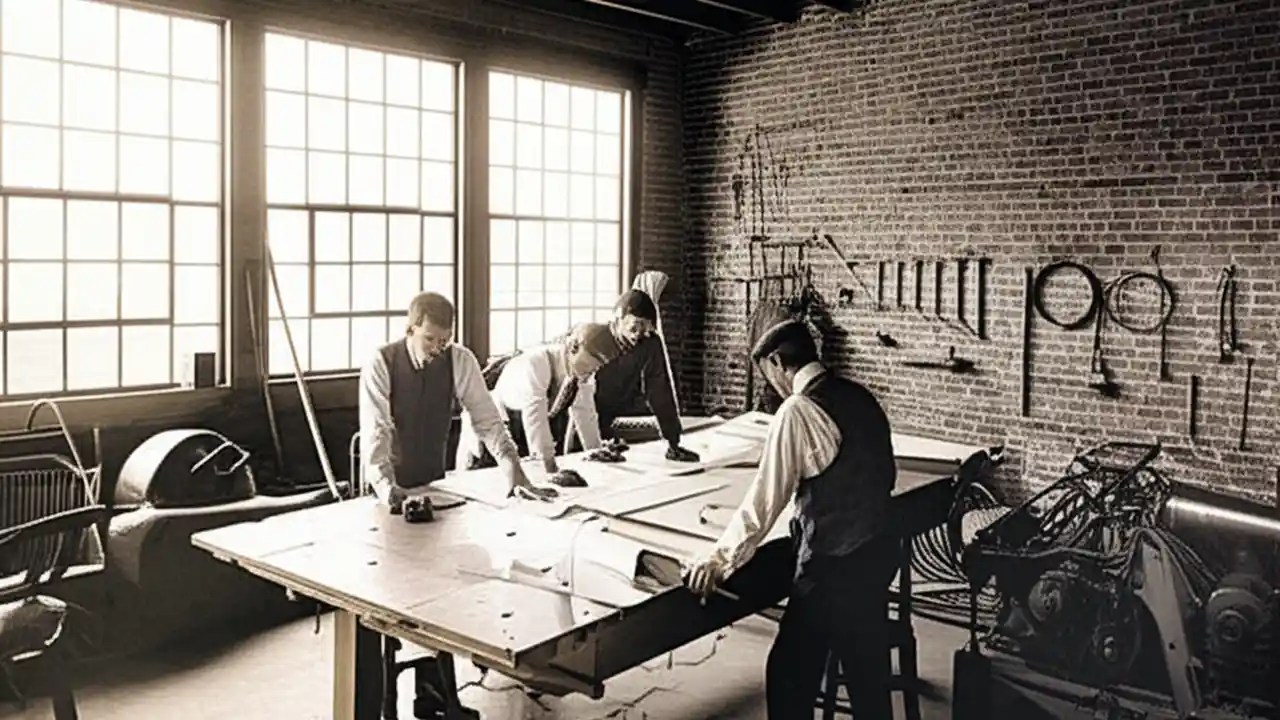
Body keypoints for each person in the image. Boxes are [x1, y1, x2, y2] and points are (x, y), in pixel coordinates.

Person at [682, 318, 898, 720]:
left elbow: (765, 499)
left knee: (788, 677)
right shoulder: (860, 397)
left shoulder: (797, 410)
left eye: (767, 373)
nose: (771, 384)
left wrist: (719, 558)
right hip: (875, 556)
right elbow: (886, 474)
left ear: (778, 362)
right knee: (869, 680)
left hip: (832, 570)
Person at [359, 292, 556, 524]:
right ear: (410, 330)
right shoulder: (381, 362)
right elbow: (376, 430)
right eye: (429, 339)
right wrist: (385, 487)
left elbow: (488, 420)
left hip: (435, 482)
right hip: (384, 486)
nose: (436, 349)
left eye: (444, 341)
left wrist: (513, 467)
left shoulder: (460, 359)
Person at [457, 322, 624, 485]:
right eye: (590, 363)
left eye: (597, 367)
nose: (592, 370)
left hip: (523, 437)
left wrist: (596, 452)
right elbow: (535, 421)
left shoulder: (582, 374)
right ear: (573, 347)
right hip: (493, 434)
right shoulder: (537, 363)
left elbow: (585, 413)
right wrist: (551, 469)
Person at [594, 288, 700, 462]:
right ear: (618, 319)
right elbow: (578, 393)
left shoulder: (649, 343)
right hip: (581, 413)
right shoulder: (597, 339)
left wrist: (673, 440)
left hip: (615, 414)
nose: (638, 334)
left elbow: (659, 388)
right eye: (634, 327)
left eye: (645, 329)